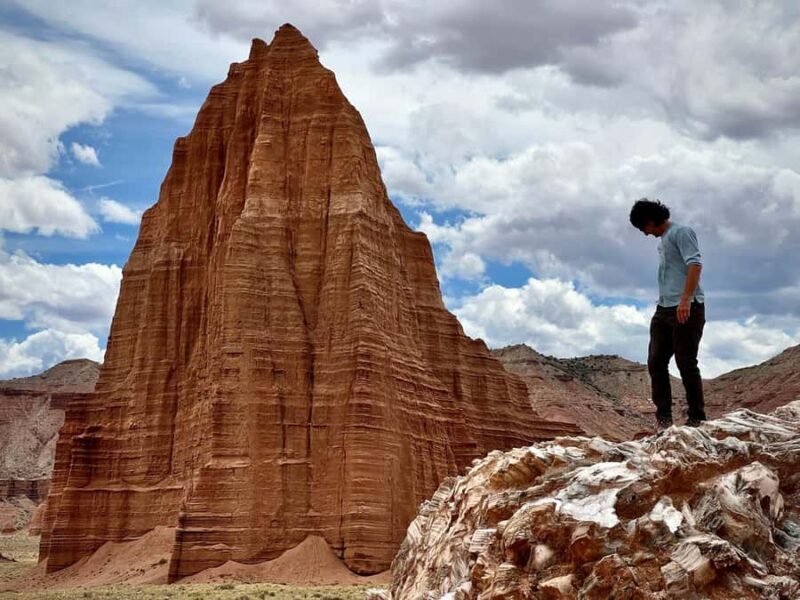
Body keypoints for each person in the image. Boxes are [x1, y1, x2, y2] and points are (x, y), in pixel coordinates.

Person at [629, 198, 706, 429]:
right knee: (656, 362)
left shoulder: (681, 232)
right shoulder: (662, 241)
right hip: (663, 308)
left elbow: (695, 264)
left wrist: (686, 300)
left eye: (643, 228)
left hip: (686, 306)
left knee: (686, 362)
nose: (644, 233)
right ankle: (664, 420)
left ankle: (697, 419)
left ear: (651, 221)